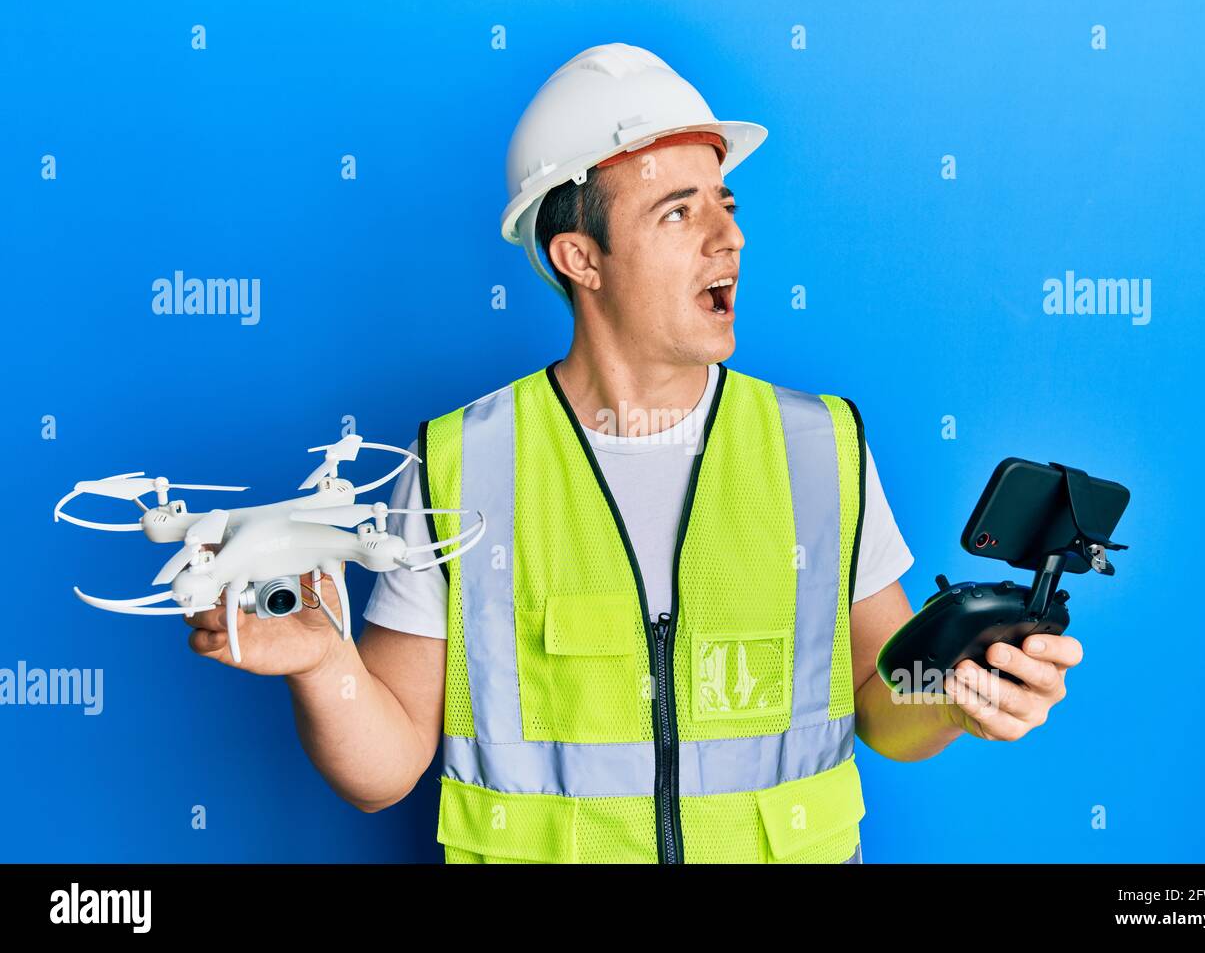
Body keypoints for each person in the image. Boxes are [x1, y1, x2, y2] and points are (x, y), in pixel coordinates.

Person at [186, 43, 1081, 864]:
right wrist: (324, 666)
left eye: (725, 205)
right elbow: (380, 774)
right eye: (678, 211)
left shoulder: (820, 446)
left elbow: (886, 710)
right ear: (581, 256)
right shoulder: (459, 463)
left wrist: (958, 695)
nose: (728, 236)